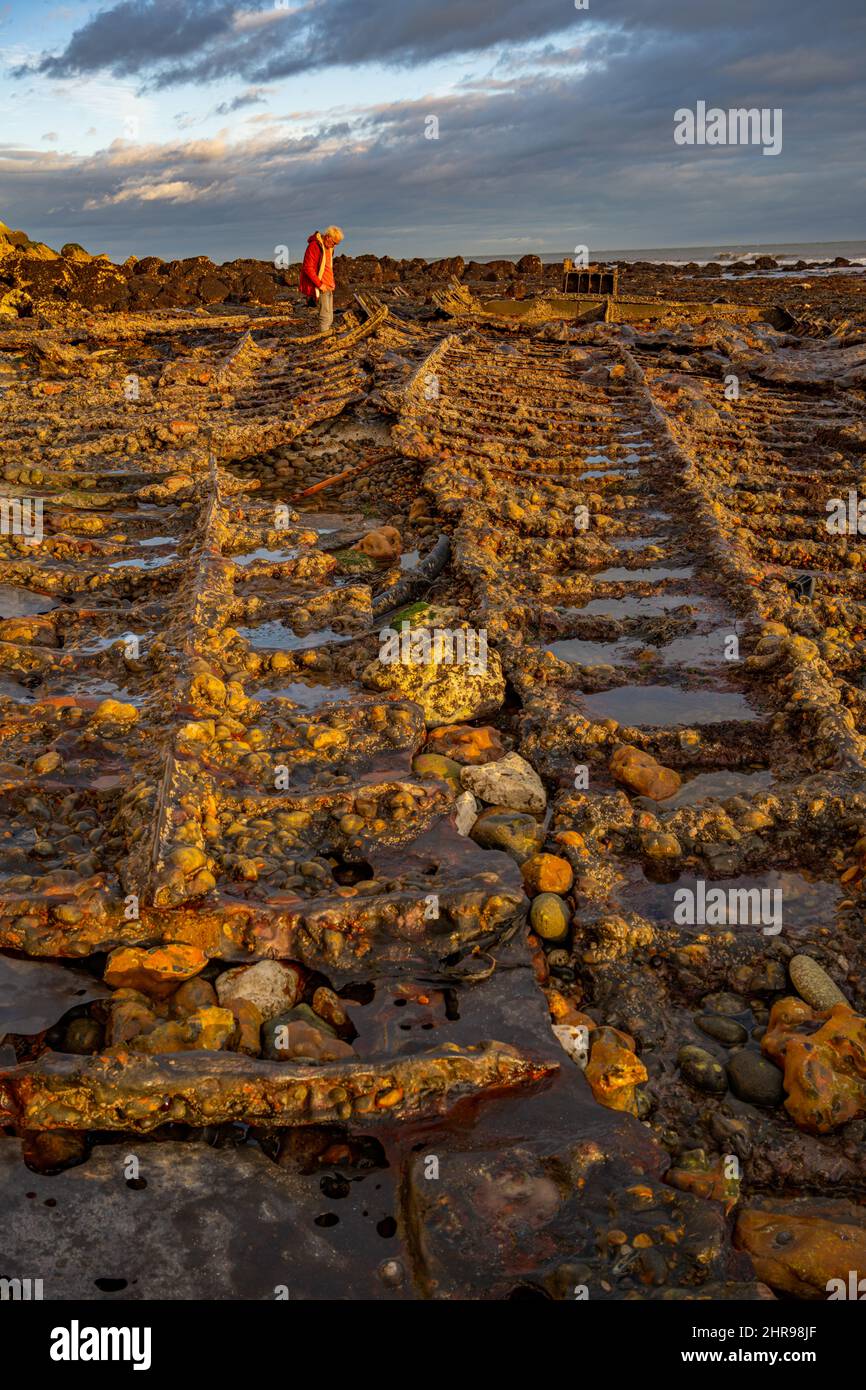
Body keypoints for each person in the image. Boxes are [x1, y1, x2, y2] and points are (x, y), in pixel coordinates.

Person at [299, 225, 344, 333]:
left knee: (330, 317)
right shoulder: (314, 246)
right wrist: (319, 285)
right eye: (334, 242)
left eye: (337, 244)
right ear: (328, 237)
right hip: (321, 286)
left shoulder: (330, 248)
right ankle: (324, 340)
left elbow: (328, 267)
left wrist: (331, 283)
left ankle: (326, 337)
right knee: (325, 317)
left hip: (329, 286)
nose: (334, 245)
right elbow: (308, 268)